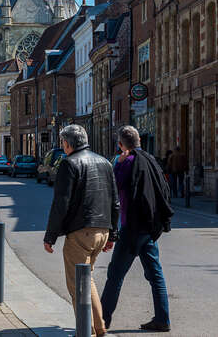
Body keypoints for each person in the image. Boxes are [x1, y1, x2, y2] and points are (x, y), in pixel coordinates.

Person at [43, 125, 118, 337]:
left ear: (67, 143)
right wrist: (112, 234)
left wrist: (50, 236)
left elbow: (61, 203)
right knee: (87, 279)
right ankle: (98, 327)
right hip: (102, 230)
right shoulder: (104, 162)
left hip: (81, 232)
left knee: (78, 285)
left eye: (62, 143)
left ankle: (88, 331)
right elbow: (115, 201)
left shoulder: (69, 164)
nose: (62, 147)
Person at [101, 126, 173, 333]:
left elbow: (112, 188)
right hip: (149, 227)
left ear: (120, 145)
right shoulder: (150, 159)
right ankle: (162, 319)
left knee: (115, 275)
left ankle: (102, 321)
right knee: (155, 274)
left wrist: (118, 165)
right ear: (139, 140)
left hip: (132, 228)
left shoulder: (127, 162)